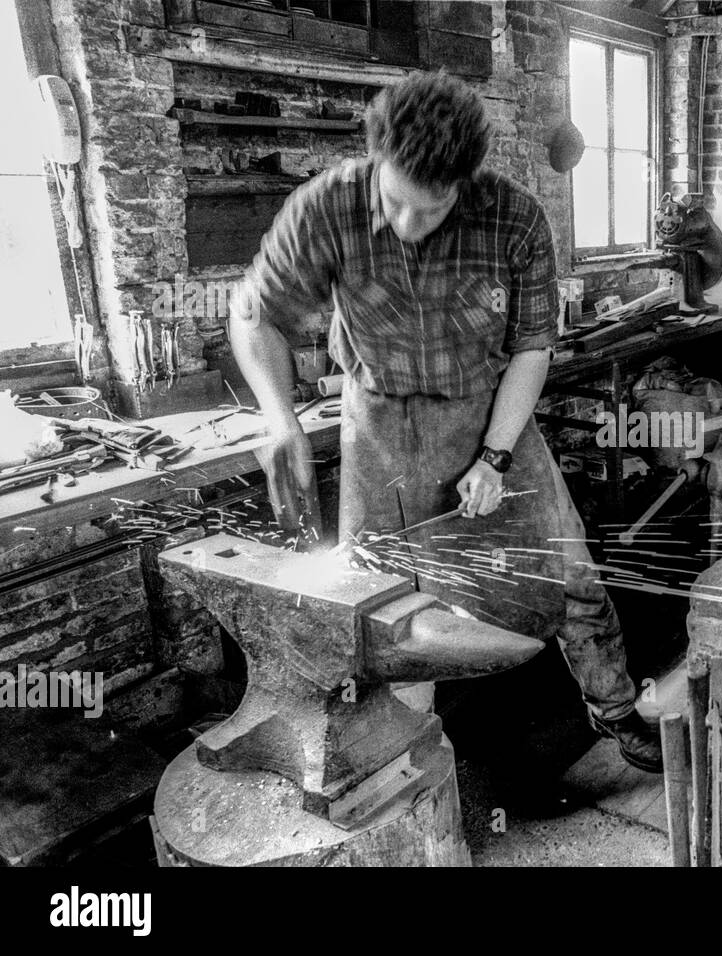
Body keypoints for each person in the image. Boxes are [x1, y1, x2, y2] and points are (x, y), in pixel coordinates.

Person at [228, 71, 662, 773]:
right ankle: (402, 767)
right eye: (396, 202)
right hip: (379, 428)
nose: (408, 225)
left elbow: (530, 345)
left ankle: (616, 713)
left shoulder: (513, 217)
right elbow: (256, 317)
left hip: (491, 412)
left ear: (467, 179)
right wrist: (280, 421)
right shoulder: (326, 207)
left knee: (572, 577)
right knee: (383, 610)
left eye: (429, 211)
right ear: (376, 159)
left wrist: (494, 458)